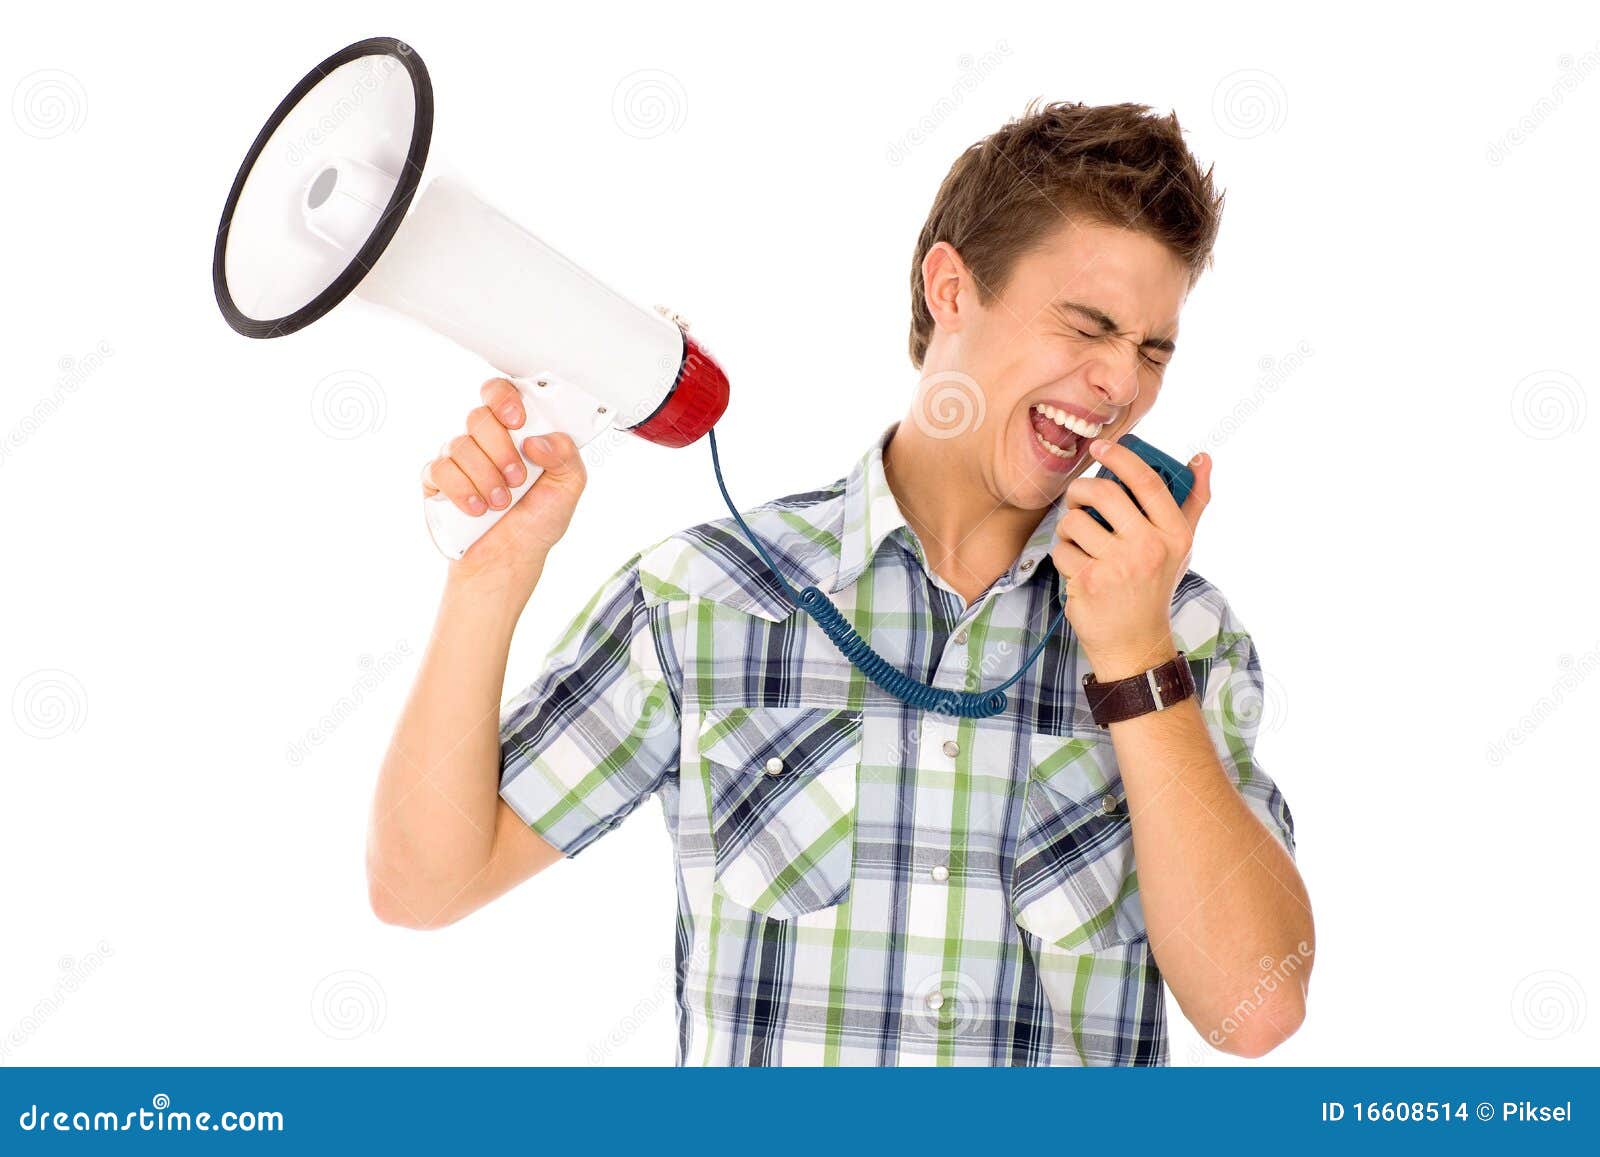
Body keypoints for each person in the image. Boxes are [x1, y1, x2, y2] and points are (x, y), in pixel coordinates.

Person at [366, 99, 1315, 1065]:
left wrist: (1135, 657)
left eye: (1153, 349)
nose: (1121, 382)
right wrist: (490, 578)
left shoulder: (1184, 631)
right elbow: (421, 886)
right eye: (1088, 325)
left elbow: (1257, 1010)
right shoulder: (705, 594)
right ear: (951, 287)